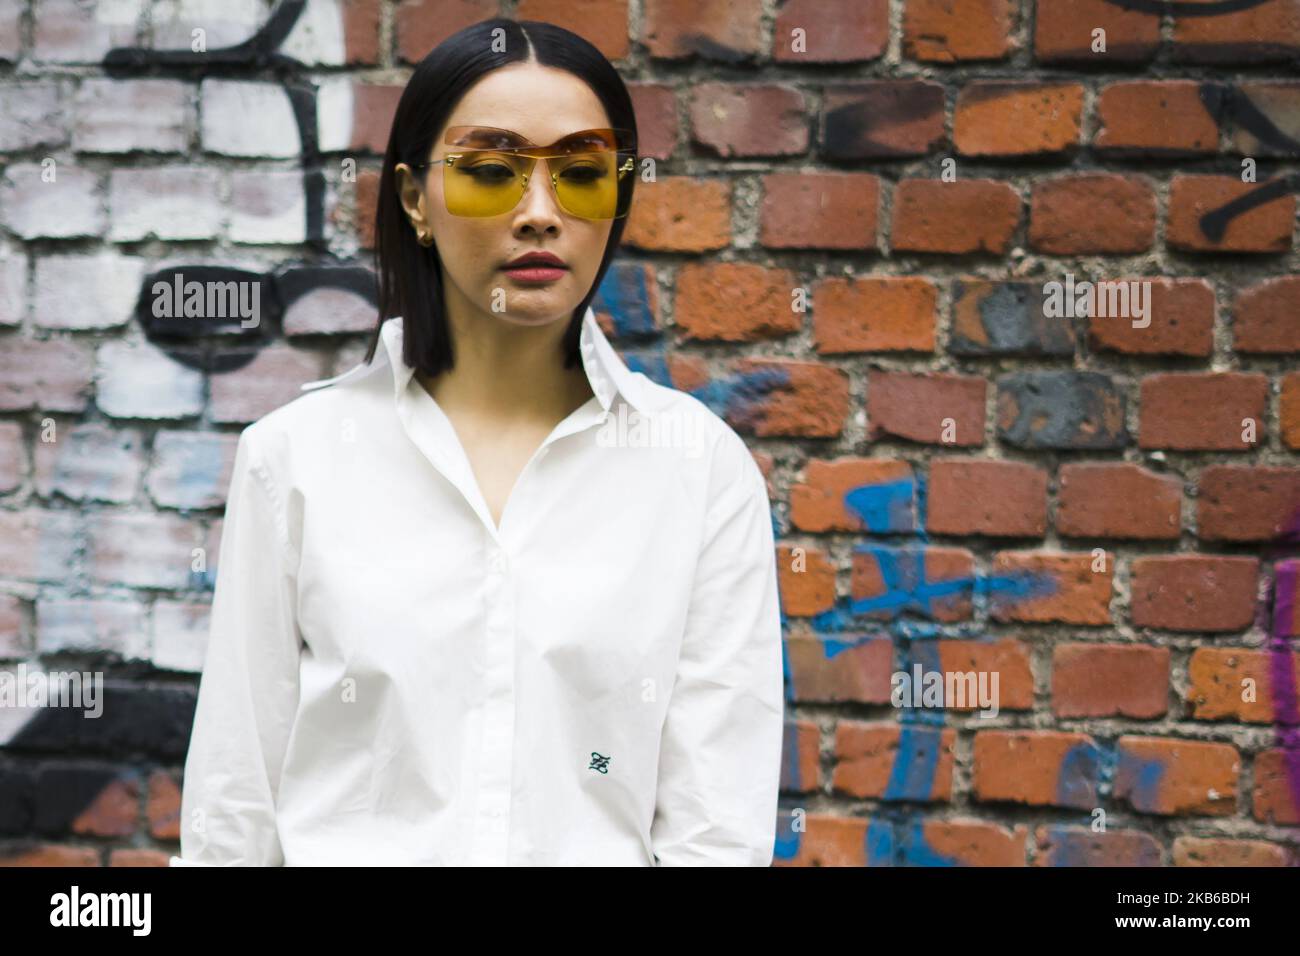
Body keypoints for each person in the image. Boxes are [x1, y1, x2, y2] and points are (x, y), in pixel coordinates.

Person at [170, 17, 784, 866]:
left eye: (580, 173)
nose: (541, 213)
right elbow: (233, 810)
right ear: (415, 199)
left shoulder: (699, 470)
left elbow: (716, 831)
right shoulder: (297, 458)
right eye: (491, 172)